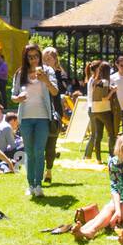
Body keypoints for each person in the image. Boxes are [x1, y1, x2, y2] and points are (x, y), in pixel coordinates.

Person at [11, 43, 58, 197]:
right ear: (26, 58)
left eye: (36, 56)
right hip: (25, 117)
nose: (34, 60)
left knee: (39, 151)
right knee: (29, 152)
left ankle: (38, 184)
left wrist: (45, 80)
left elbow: (55, 92)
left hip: (43, 117)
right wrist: (18, 98)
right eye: (30, 57)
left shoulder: (48, 71)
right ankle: (30, 184)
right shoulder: (20, 73)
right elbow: (13, 95)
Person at [41, 47, 69, 185]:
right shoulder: (36, 73)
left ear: (55, 60)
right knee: (40, 143)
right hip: (39, 110)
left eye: (49, 59)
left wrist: (49, 79)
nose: (46, 61)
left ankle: (49, 170)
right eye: (44, 58)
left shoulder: (59, 74)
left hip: (54, 111)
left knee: (51, 144)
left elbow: (62, 89)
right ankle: (38, 172)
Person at [87, 60, 115, 163]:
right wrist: (112, 91)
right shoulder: (105, 82)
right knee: (111, 134)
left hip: (94, 110)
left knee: (98, 135)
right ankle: (112, 156)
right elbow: (104, 98)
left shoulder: (94, 81)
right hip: (104, 110)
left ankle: (98, 158)